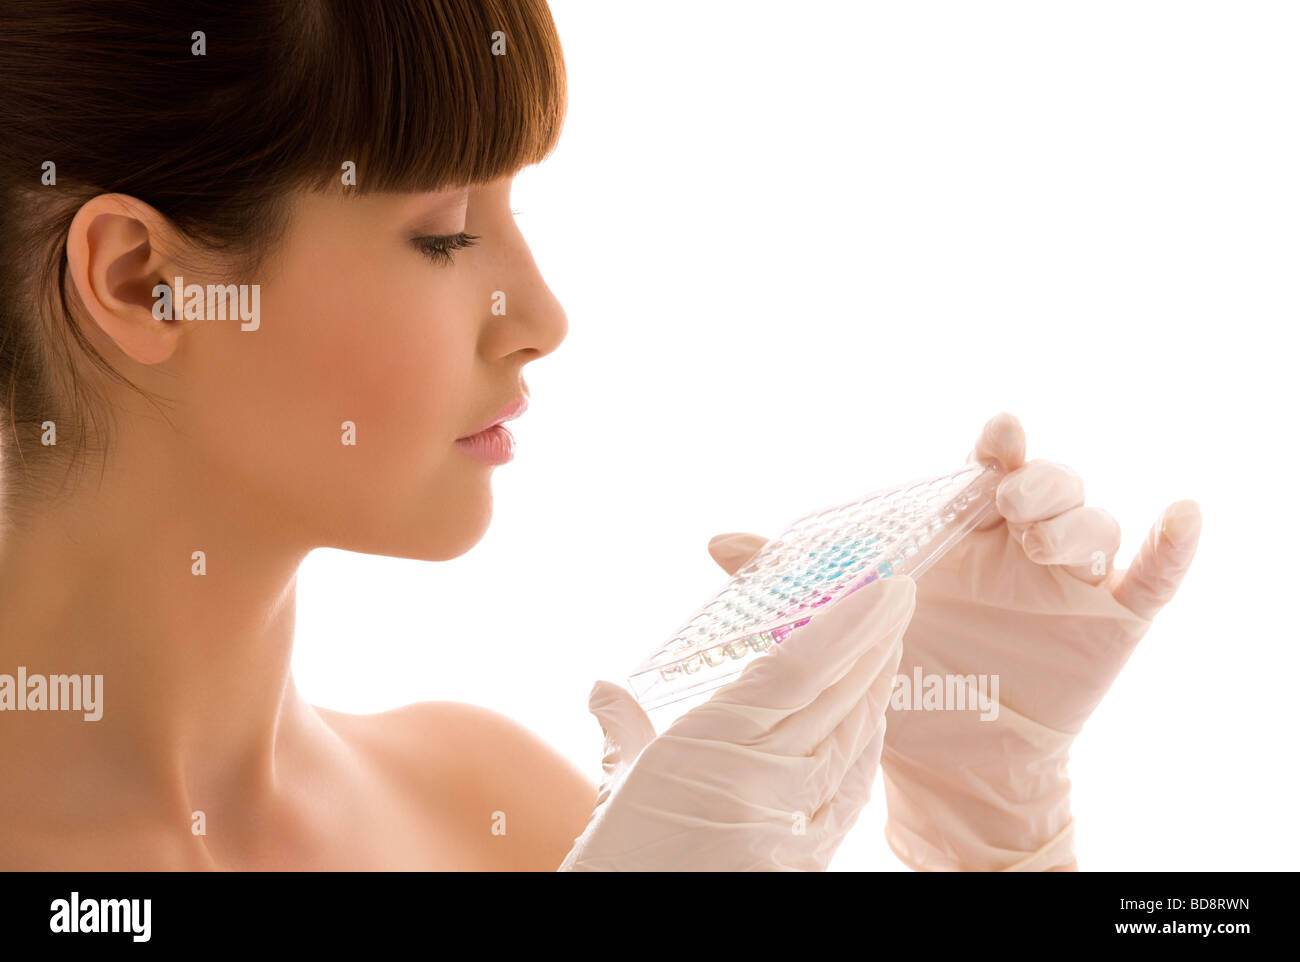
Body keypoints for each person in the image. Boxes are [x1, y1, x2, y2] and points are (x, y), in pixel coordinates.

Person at [0, 0, 1198, 871]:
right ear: (144, 280)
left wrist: (992, 834)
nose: (544, 317)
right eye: (446, 233)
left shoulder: (489, 805)